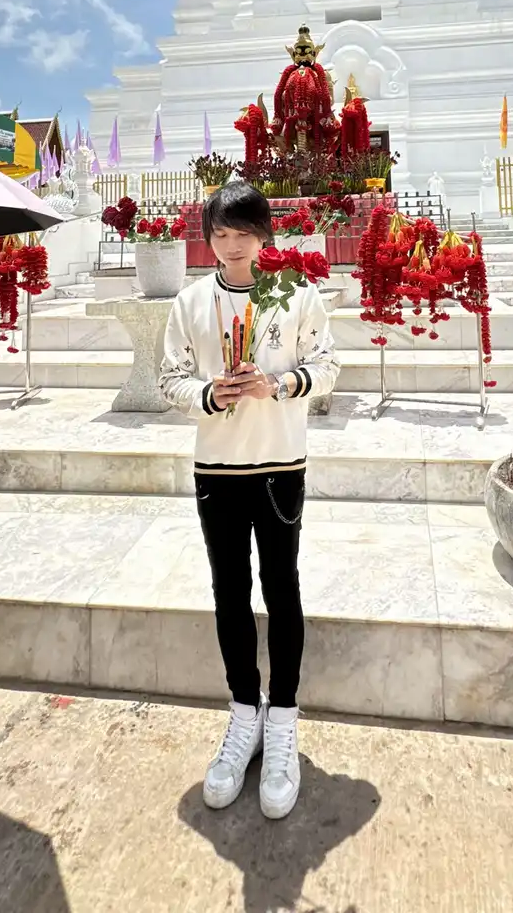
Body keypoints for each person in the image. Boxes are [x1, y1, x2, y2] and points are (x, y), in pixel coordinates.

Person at [158, 183, 339, 819]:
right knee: (229, 592)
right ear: (208, 238)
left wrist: (279, 384)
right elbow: (169, 378)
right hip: (217, 470)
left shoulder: (295, 294)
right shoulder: (190, 302)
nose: (233, 247)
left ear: (265, 236)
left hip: (279, 467)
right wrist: (210, 395)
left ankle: (283, 719)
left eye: (244, 234)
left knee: (281, 588)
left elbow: (327, 366)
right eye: (222, 235)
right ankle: (244, 713)